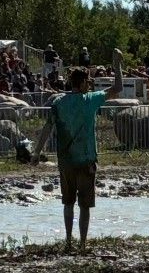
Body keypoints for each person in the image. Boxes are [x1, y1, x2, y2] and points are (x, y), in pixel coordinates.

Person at [49, 50, 123, 250]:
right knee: (85, 205)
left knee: (68, 203)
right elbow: (118, 87)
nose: (90, 85)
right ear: (81, 83)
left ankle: (68, 241)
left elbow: (47, 128)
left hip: (65, 161)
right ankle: (82, 244)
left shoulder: (58, 102)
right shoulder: (90, 100)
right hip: (87, 160)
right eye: (88, 82)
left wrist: (37, 153)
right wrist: (117, 64)